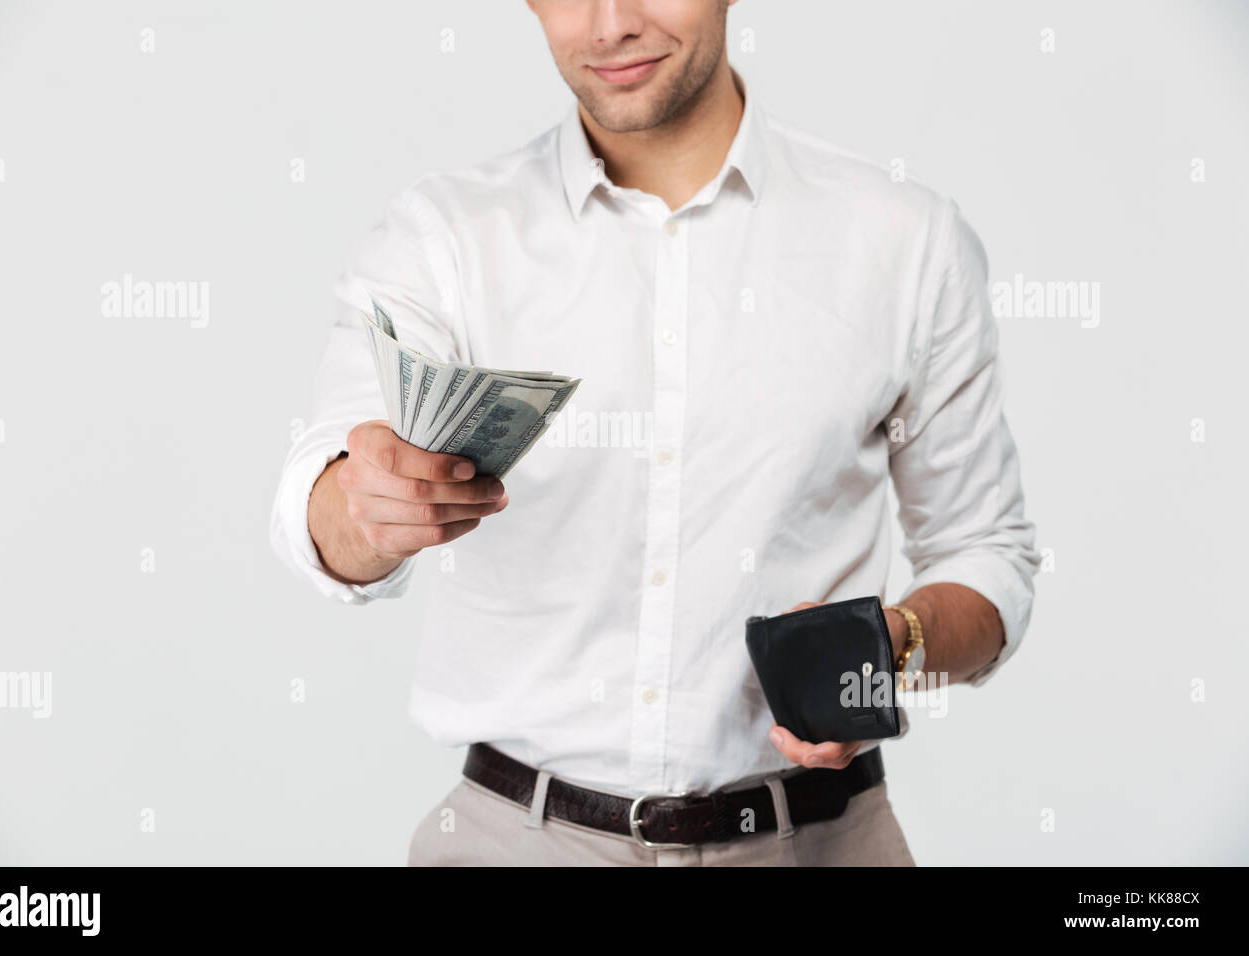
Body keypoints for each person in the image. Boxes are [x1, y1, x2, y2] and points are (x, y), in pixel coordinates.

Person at [270, 0, 1039, 866]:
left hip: (819, 846)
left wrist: (895, 647)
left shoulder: (905, 239)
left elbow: (989, 554)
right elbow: (318, 498)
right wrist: (362, 510)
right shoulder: (443, 237)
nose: (608, 26)